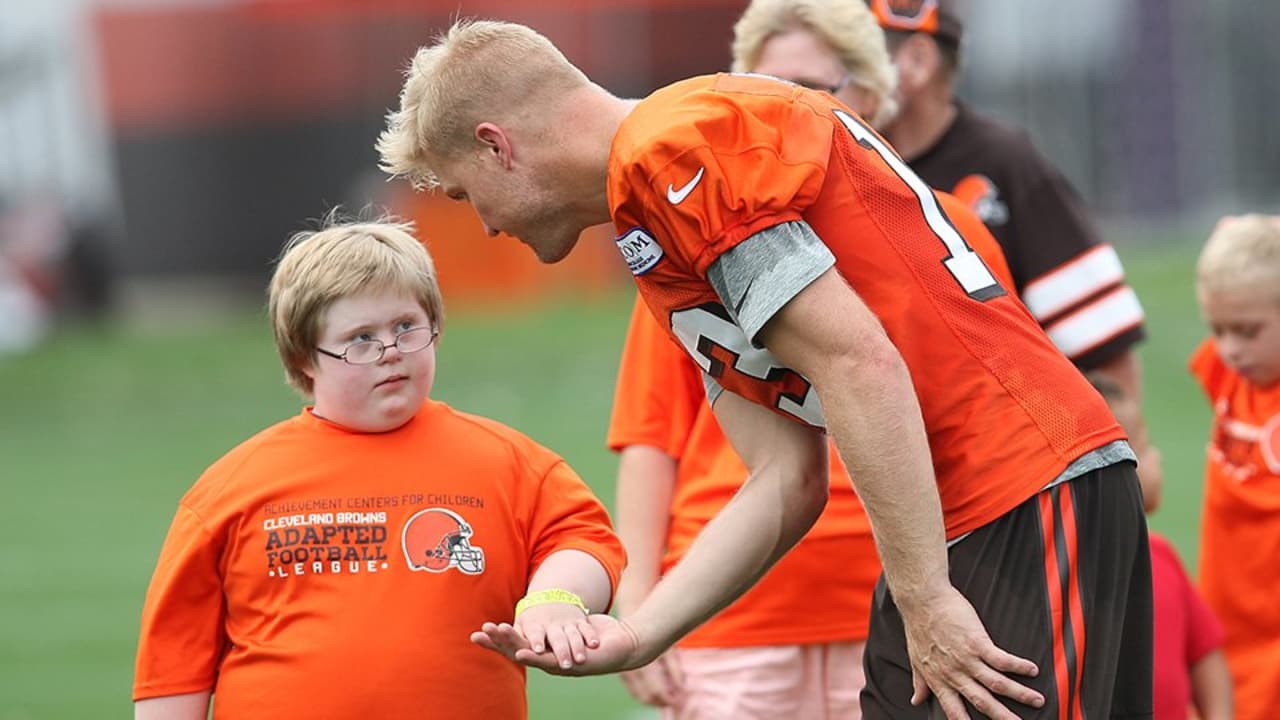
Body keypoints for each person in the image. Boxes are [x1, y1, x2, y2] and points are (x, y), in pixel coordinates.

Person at [378, 20, 1151, 719]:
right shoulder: (646, 211)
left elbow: (860, 363)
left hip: (1021, 488)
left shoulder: (671, 150)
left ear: (497, 145)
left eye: (462, 192)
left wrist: (924, 598)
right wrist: (640, 633)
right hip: (963, 518)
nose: (479, 222)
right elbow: (785, 476)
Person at [608, 2, 1013, 716]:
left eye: (804, 90)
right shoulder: (691, 234)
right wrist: (641, 604)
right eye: (756, 89)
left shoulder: (942, 224)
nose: (771, 114)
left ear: (870, 98)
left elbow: (983, 422)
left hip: (897, 599)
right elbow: (652, 436)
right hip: (734, 610)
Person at [132, 217, 626, 719]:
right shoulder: (234, 487)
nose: (390, 352)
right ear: (306, 357)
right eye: (361, 338)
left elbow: (582, 538)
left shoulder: (507, 461)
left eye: (405, 327)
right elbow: (174, 665)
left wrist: (555, 598)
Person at [869, 0, 1147, 402]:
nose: (829, 75)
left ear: (916, 62)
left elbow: (1103, 349)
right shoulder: (842, 165)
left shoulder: (1004, 163)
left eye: (850, 52)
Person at [1088, 373, 1233, 720]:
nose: (1158, 458)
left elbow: (1206, 658)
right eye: (1144, 446)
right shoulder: (1064, 573)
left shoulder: (1162, 556)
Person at [1190, 213, 1280, 720]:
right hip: (1225, 628)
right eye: (1218, 329)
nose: (1230, 349)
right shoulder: (1229, 374)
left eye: (1247, 331)